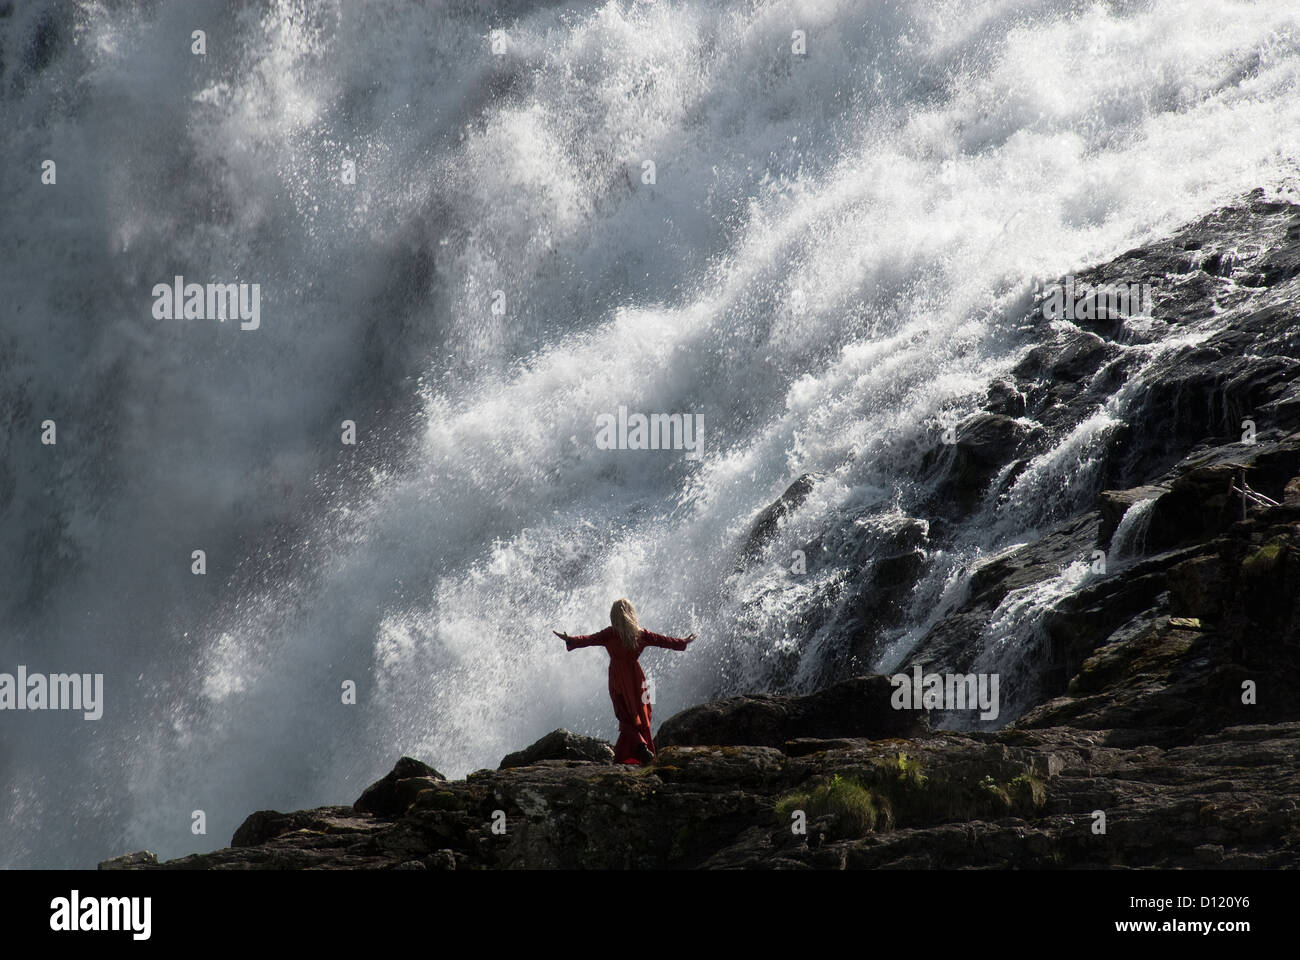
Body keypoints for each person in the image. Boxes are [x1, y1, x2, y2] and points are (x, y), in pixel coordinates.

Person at [555, 598, 695, 765]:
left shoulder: (610, 634)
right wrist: (683, 642)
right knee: (641, 715)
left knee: (624, 717)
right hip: (638, 680)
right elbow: (662, 641)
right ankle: (627, 756)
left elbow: (588, 639)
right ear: (631, 614)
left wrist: (569, 639)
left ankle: (642, 750)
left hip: (617, 681)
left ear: (613, 616)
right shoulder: (640, 634)